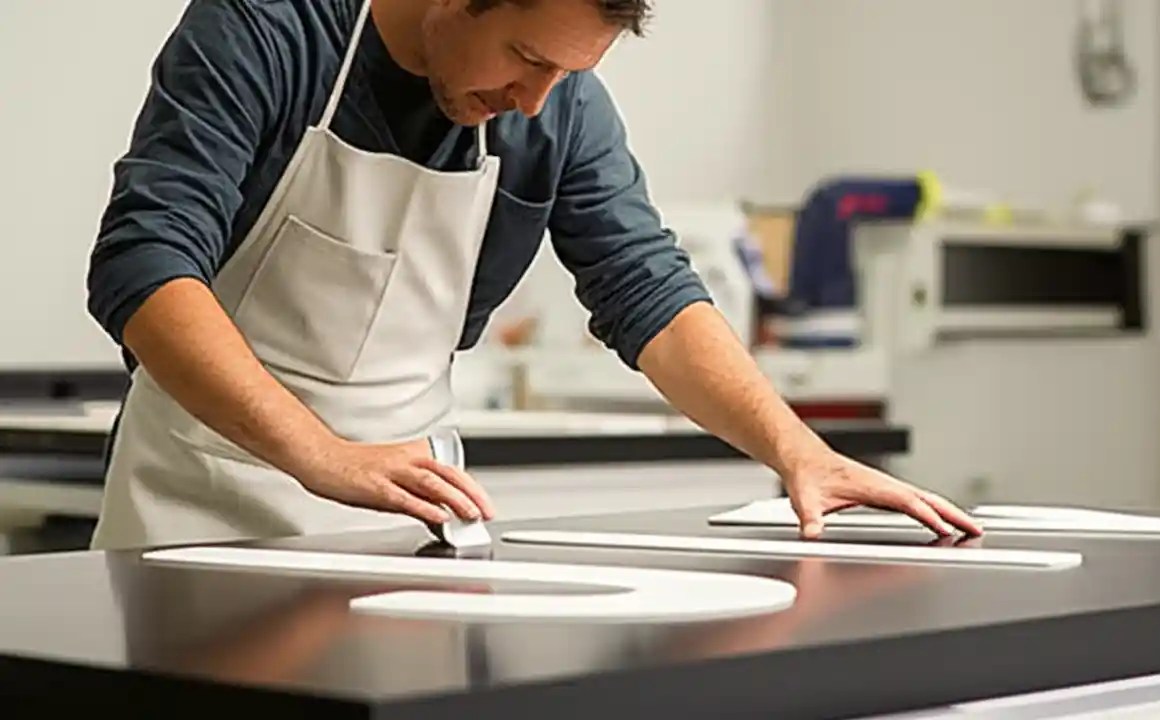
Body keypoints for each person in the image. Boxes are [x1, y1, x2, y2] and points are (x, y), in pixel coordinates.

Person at [85, 0, 981, 550]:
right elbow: (146, 260)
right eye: (527, 58)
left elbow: (647, 289)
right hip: (197, 519)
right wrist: (318, 454)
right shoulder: (265, 28)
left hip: (406, 536)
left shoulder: (558, 110)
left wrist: (801, 453)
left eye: (568, 70)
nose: (537, 101)